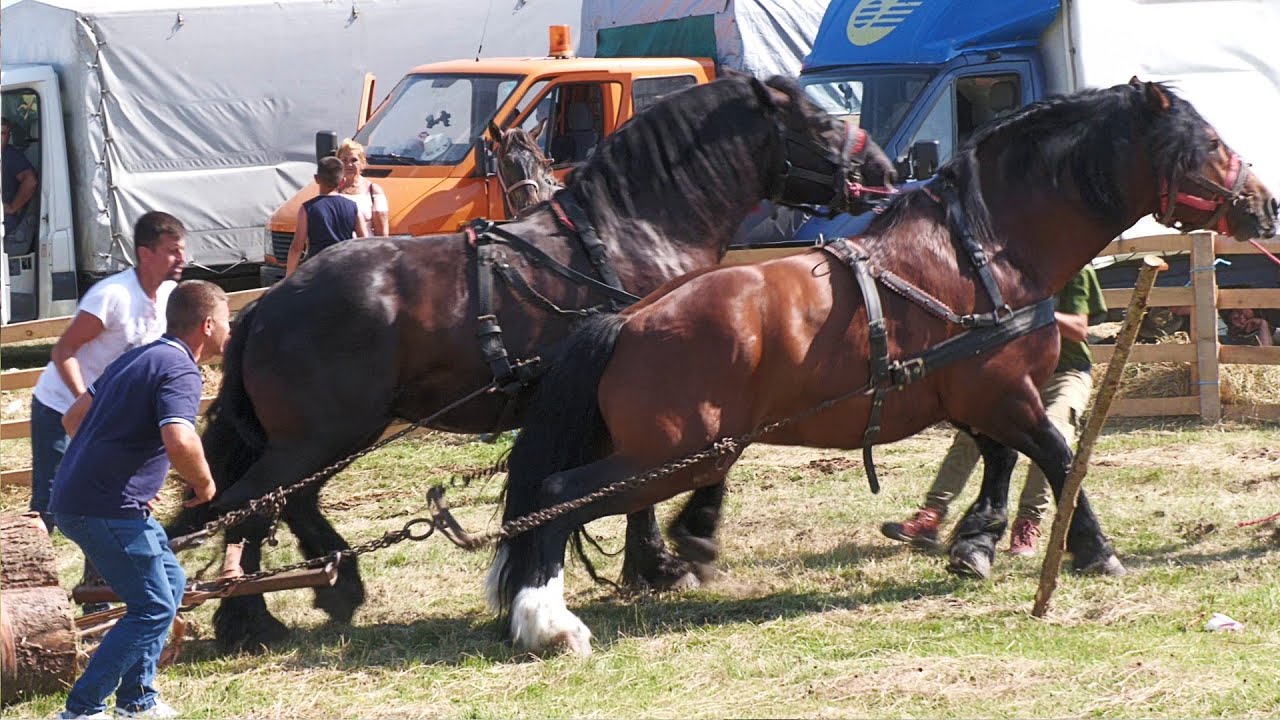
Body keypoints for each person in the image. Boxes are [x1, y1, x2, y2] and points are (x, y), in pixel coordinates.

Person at [50, 280, 228, 720]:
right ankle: (82, 709)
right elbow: (179, 438)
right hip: (106, 506)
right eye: (227, 322)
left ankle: (138, 700)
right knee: (152, 606)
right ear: (207, 325)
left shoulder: (138, 357)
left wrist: (117, 473)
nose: (230, 331)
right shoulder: (182, 369)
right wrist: (205, 485)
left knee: (170, 586)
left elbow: (73, 419)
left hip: (84, 498)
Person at [880, 266, 1108, 555]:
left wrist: (1023, 311)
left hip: (1065, 373)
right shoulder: (1008, 269)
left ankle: (1028, 523)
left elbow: (1078, 328)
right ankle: (931, 515)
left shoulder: (1075, 270)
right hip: (1018, 373)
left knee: (1054, 436)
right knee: (972, 435)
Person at [29, 212, 187, 534]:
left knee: (104, 500)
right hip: (59, 406)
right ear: (146, 253)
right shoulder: (113, 296)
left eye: (182, 249)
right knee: (51, 500)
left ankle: (100, 578)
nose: (182, 258)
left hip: (105, 413)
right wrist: (83, 405)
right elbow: (63, 352)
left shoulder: (169, 296)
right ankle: (24, 573)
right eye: (173, 250)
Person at [285, 155, 367, 277]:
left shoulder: (307, 209)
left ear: (316, 179)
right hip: (345, 269)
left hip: (318, 270)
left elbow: (297, 246)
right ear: (342, 181)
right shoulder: (353, 207)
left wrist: (289, 275)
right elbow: (364, 240)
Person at [336, 138, 389, 236]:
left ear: (362, 162)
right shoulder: (331, 189)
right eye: (344, 160)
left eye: (354, 160)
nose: (349, 164)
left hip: (364, 249)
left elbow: (382, 234)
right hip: (338, 249)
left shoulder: (373, 190)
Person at [2, 117, 39, 254]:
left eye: (2, 132)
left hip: (6, 222)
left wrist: (12, 208)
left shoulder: (10, 156)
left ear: (9, 135)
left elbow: (31, 181)